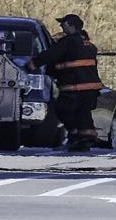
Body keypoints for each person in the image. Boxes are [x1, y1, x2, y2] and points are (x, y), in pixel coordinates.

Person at [31, 13, 103, 151]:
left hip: (75, 86)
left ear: (70, 25)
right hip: (91, 87)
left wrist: (33, 64)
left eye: (63, 23)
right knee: (83, 113)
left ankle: (76, 135)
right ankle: (85, 138)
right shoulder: (89, 45)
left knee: (62, 109)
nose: (61, 26)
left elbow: (51, 55)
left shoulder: (69, 42)